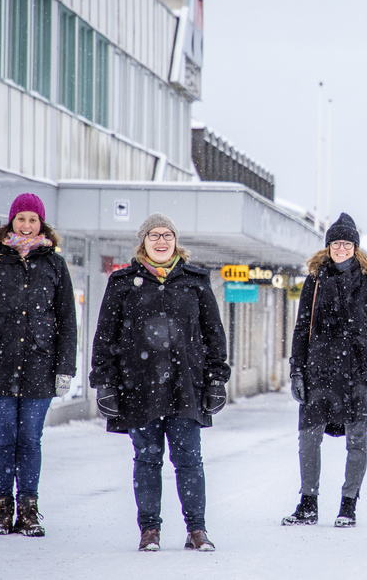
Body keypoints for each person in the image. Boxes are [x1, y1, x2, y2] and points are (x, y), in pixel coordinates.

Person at [89, 213, 230, 552]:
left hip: (186, 386)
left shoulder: (195, 280)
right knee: (147, 459)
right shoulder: (123, 281)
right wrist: (104, 382)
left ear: (176, 241)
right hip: (139, 386)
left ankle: (197, 530)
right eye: (154, 235)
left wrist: (216, 380)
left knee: (189, 460)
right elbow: (105, 335)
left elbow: (214, 334)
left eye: (168, 234)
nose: (162, 241)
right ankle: (149, 530)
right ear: (143, 242)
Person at [0, 192, 77, 537]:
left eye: (33, 219)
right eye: (21, 218)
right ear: (11, 221)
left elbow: (67, 320)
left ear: (42, 224)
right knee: (1, 441)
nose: (26, 225)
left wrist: (64, 368)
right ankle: (1, 511)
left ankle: (28, 511)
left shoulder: (55, 264)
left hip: (40, 368)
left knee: (29, 440)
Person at [283, 213, 367, 528]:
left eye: (346, 243)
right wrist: (296, 371)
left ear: (355, 247)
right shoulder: (314, 281)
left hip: (358, 372)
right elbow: (301, 328)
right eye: (335, 243)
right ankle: (308, 503)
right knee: (308, 438)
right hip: (318, 371)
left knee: (357, 439)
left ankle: (348, 504)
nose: (341, 248)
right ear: (328, 246)